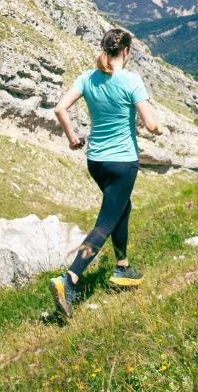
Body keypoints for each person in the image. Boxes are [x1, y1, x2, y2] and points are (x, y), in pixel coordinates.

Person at [49, 27, 162, 318]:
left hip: (96, 161)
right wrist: (159, 128)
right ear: (126, 51)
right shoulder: (131, 80)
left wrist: (73, 139)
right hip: (123, 163)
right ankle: (70, 279)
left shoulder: (87, 78)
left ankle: (122, 268)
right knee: (105, 223)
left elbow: (60, 108)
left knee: (122, 207)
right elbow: (150, 125)